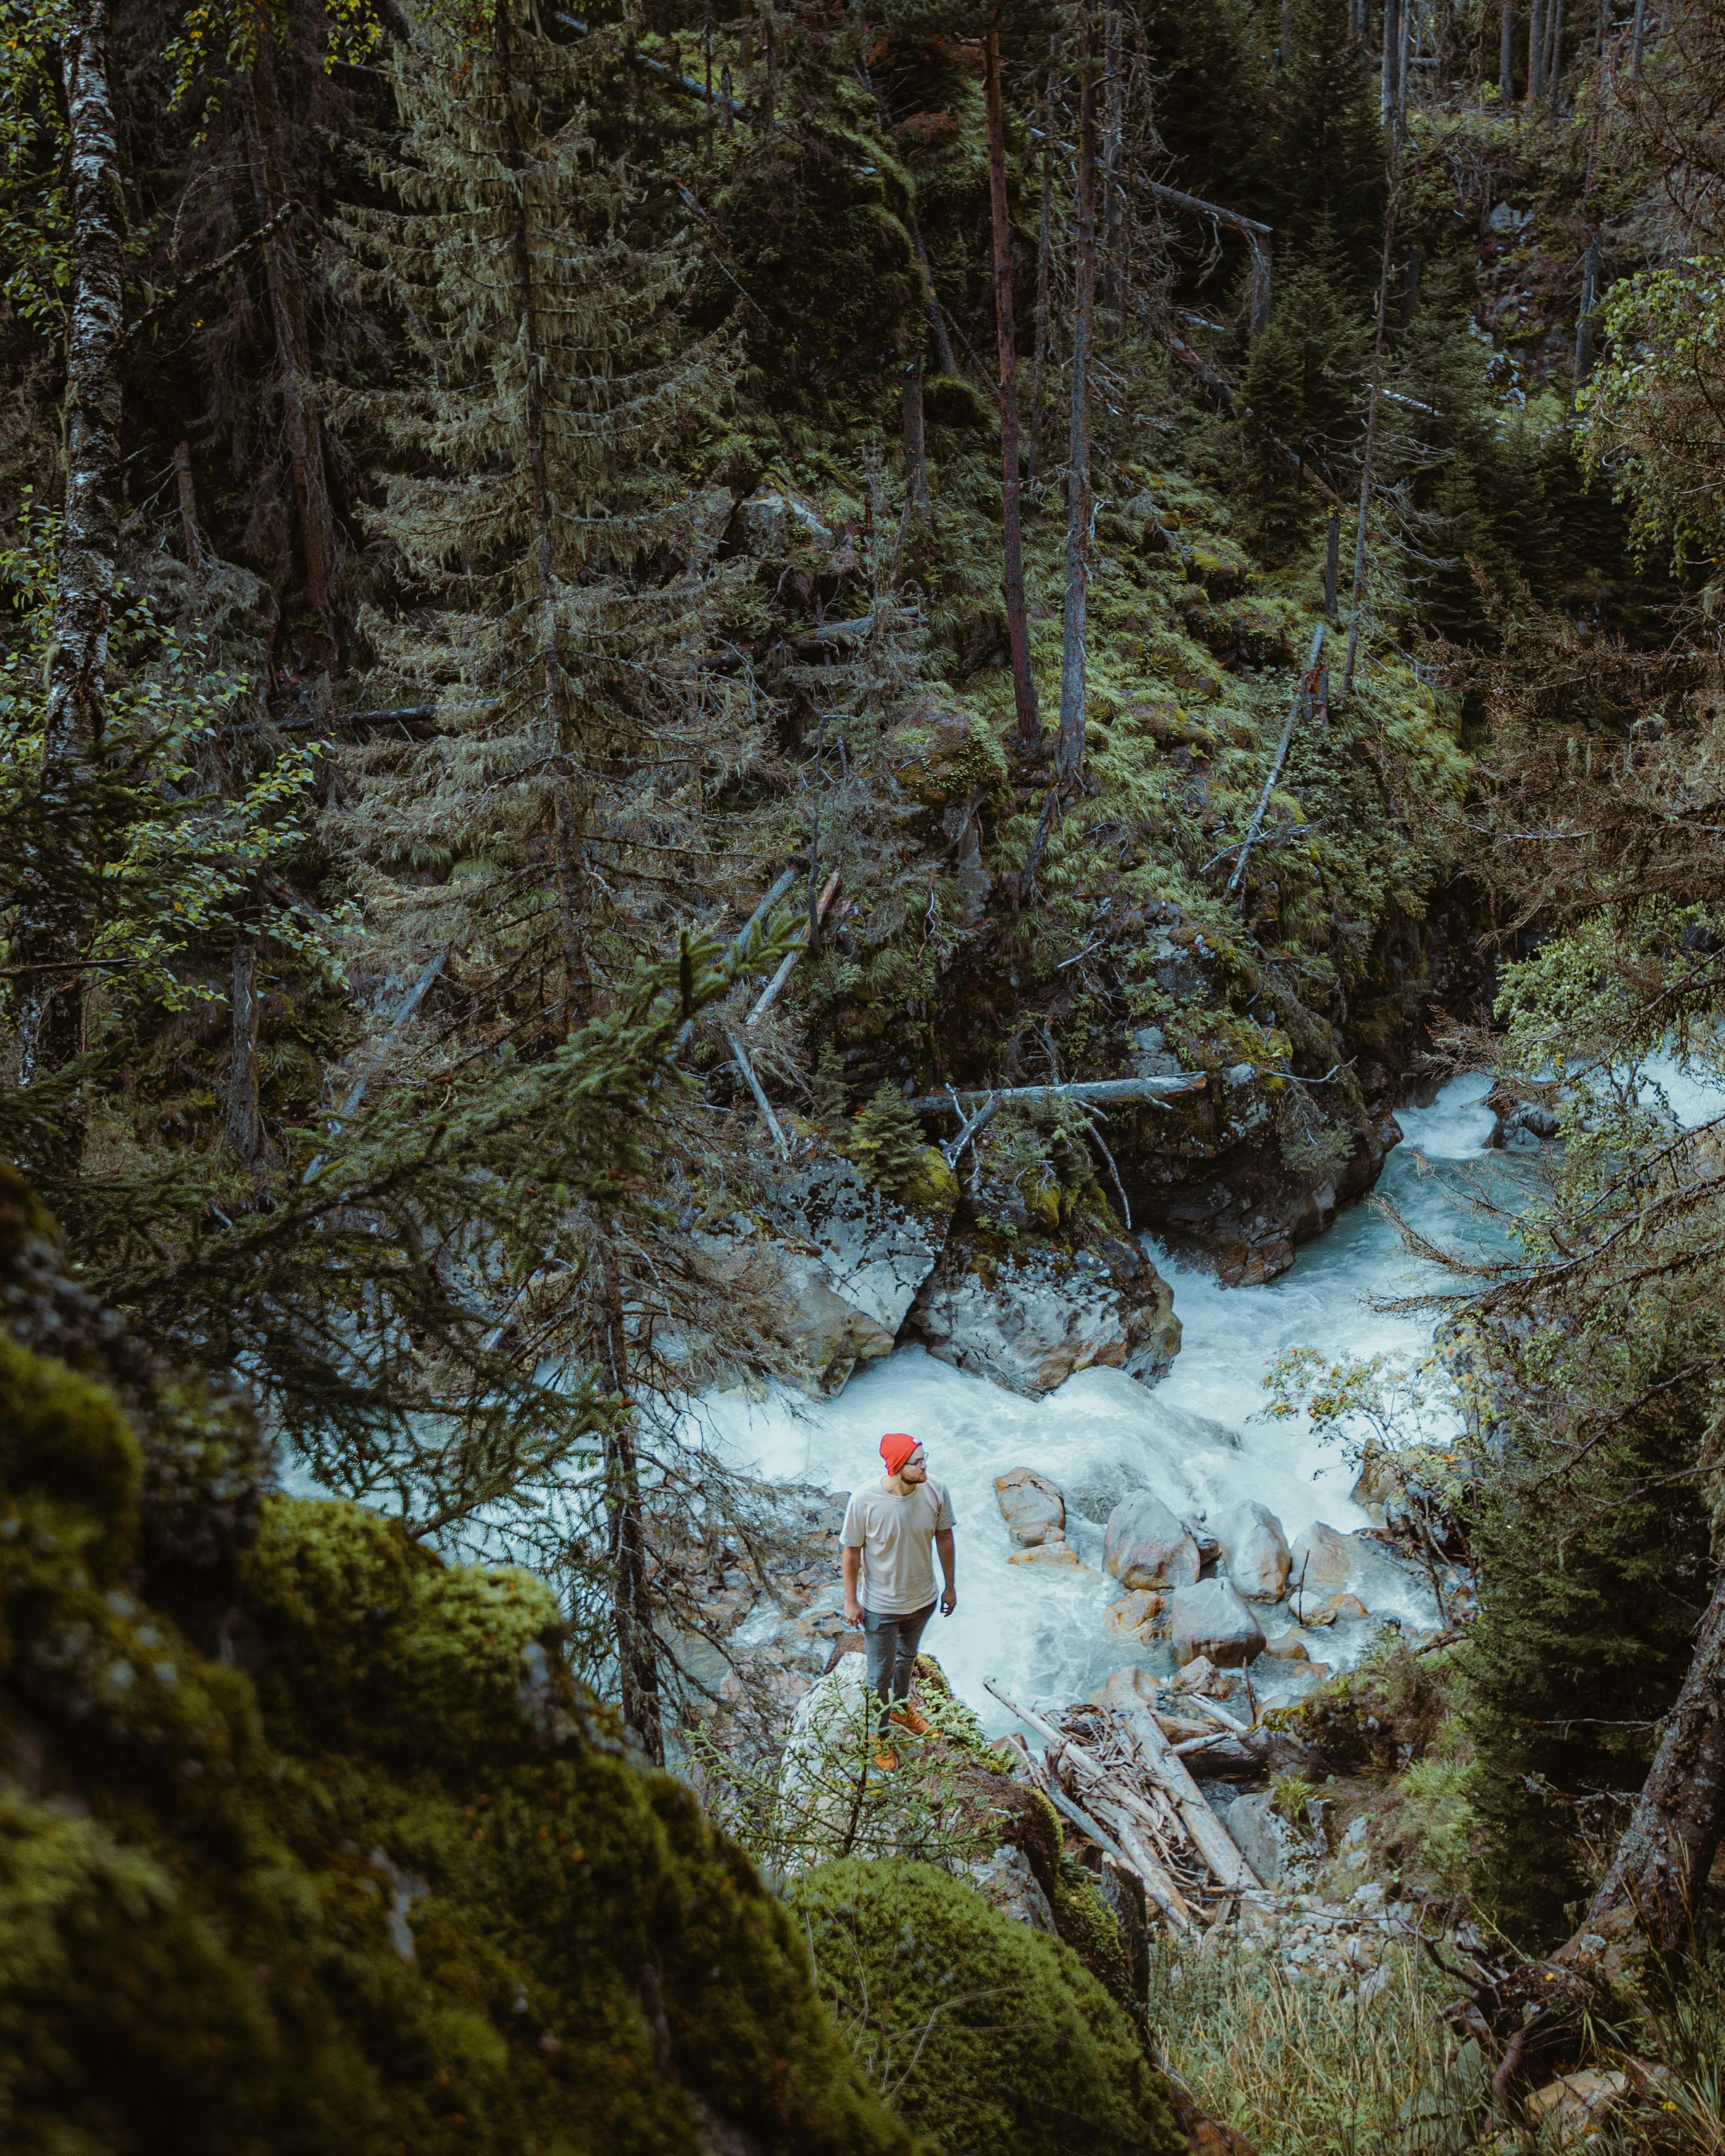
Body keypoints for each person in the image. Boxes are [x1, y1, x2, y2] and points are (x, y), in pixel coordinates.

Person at [839, 1432, 956, 1770]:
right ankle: (879, 1733)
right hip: (881, 1606)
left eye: (925, 1458)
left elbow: (945, 1538)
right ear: (896, 1467)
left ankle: (902, 1708)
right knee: (879, 1674)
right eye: (918, 1462)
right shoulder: (864, 1500)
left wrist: (950, 1586)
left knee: (907, 1658)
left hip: (923, 1599)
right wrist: (851, 1601)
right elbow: (851, 1552)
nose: (925, 1466)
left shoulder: (936, 1488)